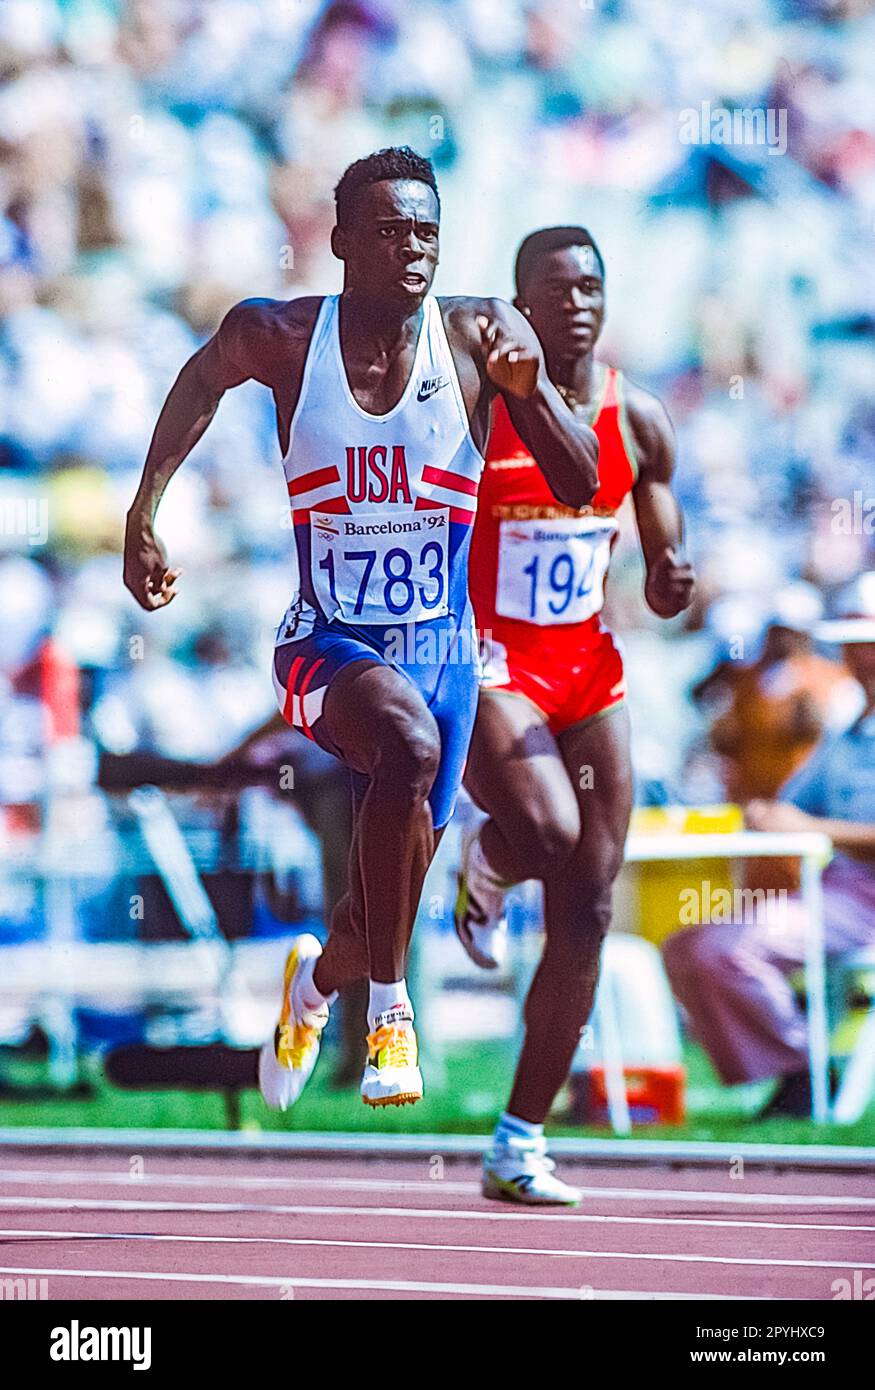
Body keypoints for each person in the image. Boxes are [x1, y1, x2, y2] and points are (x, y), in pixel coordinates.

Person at [123, 149, 598, 1113]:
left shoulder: (479, 338)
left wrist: (532, 391)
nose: (412, 249)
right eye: (388, 231)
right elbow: (199, 380)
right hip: (324, 642)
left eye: (425, 230)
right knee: (405, 744)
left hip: (441, 652)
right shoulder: (281, 336)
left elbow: (581, 481)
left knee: (381, 904)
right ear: (341, 244)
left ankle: (318, 984)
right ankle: (389, 1013)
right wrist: (146, 510)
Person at [454, 226, 694, 1203]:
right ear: (518, 302)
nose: (573, 305)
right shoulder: (482, 402)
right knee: (546, 835)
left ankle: (518, 1139)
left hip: (589, 671)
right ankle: (488, 858)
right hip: (494, 661)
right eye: (550, 291)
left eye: (588, 287)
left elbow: (666, 562)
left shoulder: (637, 419)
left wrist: (675, 578)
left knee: (589, 906)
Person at [664, 573, 875, 1118]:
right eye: (853, 645)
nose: (859, 657)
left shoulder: (818, 699)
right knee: (688, 948)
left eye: (867, 645)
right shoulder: (846, 726)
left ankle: (803, 1069)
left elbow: (802, 816)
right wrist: (769, 812)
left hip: (855, 897)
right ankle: (796, 1069)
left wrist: (806, 827)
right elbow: (787, 801)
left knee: (723, 949)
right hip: (831, 887)